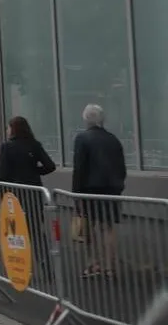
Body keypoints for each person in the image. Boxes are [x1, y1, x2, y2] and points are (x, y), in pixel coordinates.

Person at [0, 116, 56, 278]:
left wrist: (1, 197)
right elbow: (50, 166)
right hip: (34, 193)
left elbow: (2, 175)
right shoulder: (34, 145)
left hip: (15, 196)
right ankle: (45, 263)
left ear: (13, 129)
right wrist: (34, 171)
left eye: (9, 127)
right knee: (35, 230)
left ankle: (21, 268)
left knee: (16, 233)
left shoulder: (7, 147)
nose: (7, 130)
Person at [72, 104, 126, 278]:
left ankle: (93, 264)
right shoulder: (113, 139)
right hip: (111, 189)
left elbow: (79, 168)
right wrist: (118, 185)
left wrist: (76, 193)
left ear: (86, 119)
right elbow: (121, 167)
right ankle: (110, 267)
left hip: (90, 189)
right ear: (102, 119)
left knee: (89, 227)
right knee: (108, 227)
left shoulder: (82, 138)